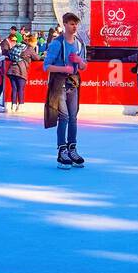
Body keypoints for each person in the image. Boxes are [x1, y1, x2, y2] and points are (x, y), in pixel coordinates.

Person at [43, 12, 86, 169]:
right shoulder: (56, 43)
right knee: (65, 117)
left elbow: (84, 66)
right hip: (59, 83)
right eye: (71, 24)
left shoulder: (79, 43)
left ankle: (72, 148)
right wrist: (63, 68)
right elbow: (46, 66)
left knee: (73, 117)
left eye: (76, 24)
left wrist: (79, 61)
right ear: (64, 24)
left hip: (73, 82)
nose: (74, 27)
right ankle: (62, 150)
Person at [2, 32, 30, 111]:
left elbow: (8, 55)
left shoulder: (13, 48)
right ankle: (20, 105)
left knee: (14, 88)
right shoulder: (26, 48)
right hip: (20, 70)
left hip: (11, 70)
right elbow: (36, 57)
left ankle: (13, 105)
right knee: (21, 88)